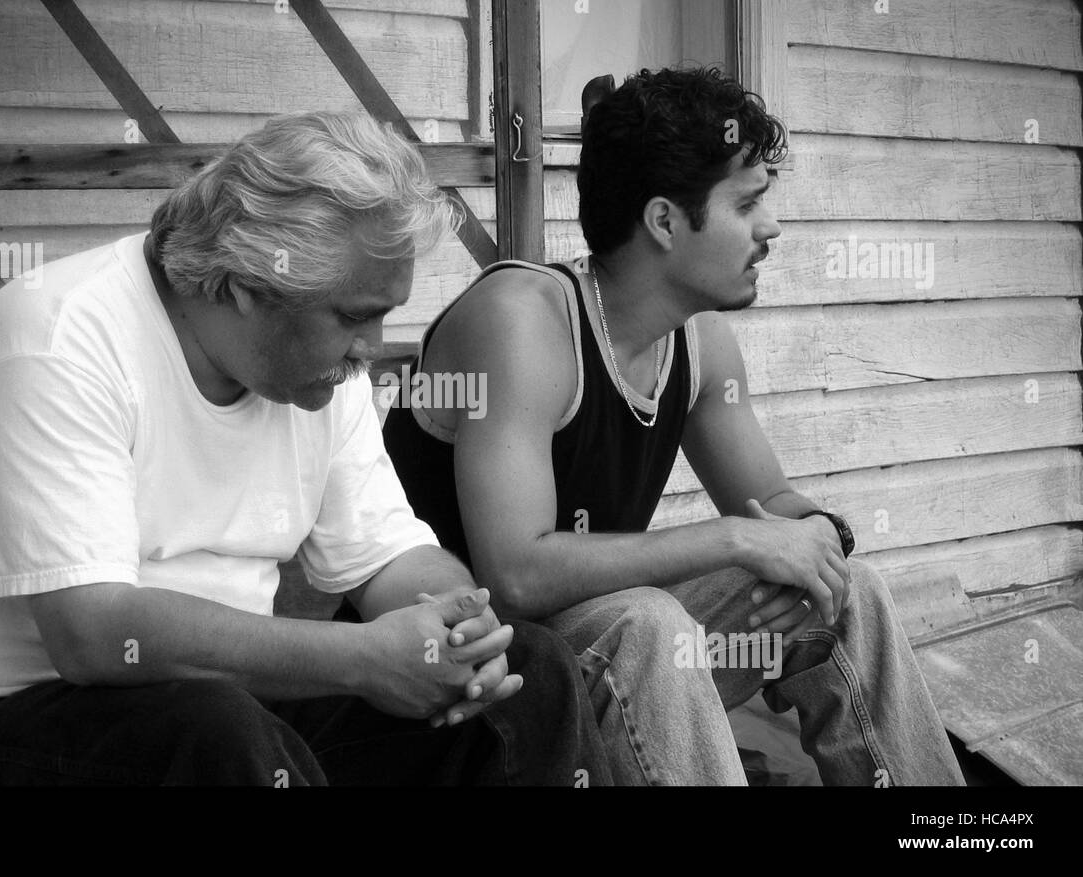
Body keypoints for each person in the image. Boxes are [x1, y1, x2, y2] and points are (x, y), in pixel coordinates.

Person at [0, 111, 611, 787]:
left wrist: (458, 629)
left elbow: (388, 559)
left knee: (529, 677)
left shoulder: (319, 370)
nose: (372, 348)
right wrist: (363, 659)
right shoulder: (55, 342)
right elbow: (93, 634)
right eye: (355, 317)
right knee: (217, 732)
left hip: (229, 717)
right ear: (249, 284)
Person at [383, 66, 965, 786]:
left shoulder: (701, 340)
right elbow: (517, 574)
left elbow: (771, 501)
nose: (771, 227)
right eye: (748, 203)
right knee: (651, 624)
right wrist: (733, 538)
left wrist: (820, 536)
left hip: (621, 656)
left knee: (850, 593)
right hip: (478, 674)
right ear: (664, 221)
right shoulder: (523, 321)